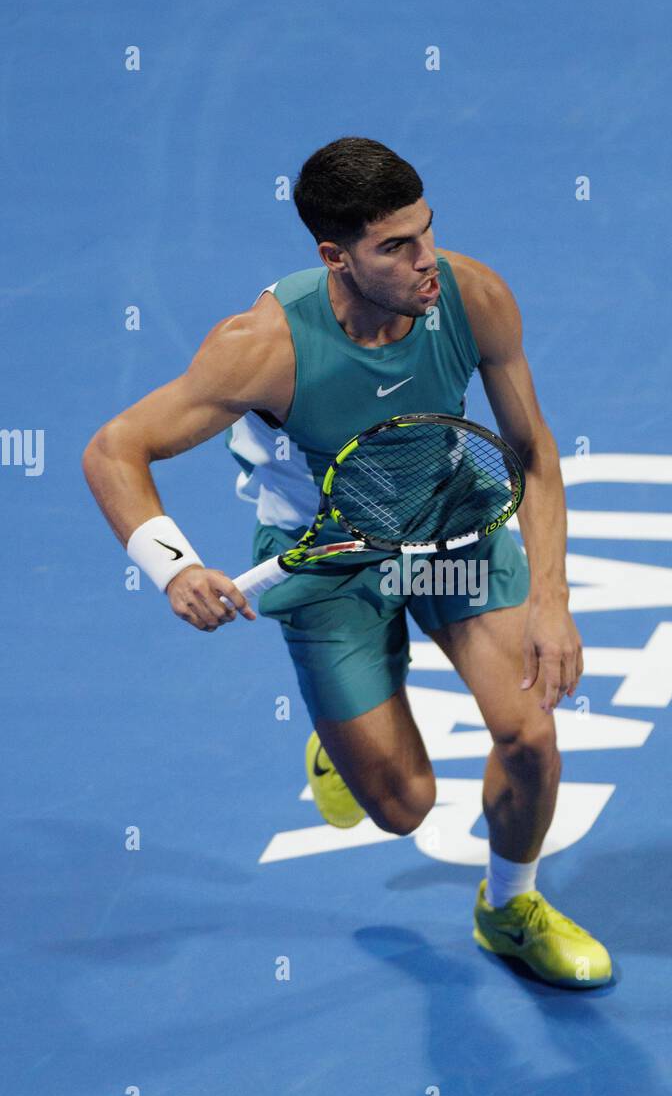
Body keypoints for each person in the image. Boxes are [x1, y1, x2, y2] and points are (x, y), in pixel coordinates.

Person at [82, 136, 612, 988]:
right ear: (335, 256)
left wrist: (552, 597)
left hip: (449, 528)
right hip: (327, 559)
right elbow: (115, 450)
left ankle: (508, 907)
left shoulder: (472, 297)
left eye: (426, 231)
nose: (424, 260)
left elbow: (531, 450)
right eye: (394, 247)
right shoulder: (259, 348)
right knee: (401, 809)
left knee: (530, 738)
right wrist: (175, 565)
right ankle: (343, 741)